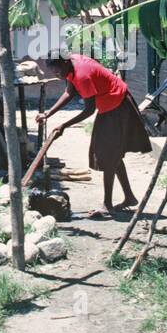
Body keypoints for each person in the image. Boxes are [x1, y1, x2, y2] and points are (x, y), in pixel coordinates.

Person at [36, 52, 152, 218]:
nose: (57, 75)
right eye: (54, 73)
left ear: (65, 62)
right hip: (110, 104)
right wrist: (48, 114)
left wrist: (64, 126)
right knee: (112, 154)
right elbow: (69, 92)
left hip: (117, 104)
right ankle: (129, 197)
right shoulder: (71, 65)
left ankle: (107, 205)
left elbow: (89, 110)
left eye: (57, 71)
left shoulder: (83, 75)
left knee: (107, 155)